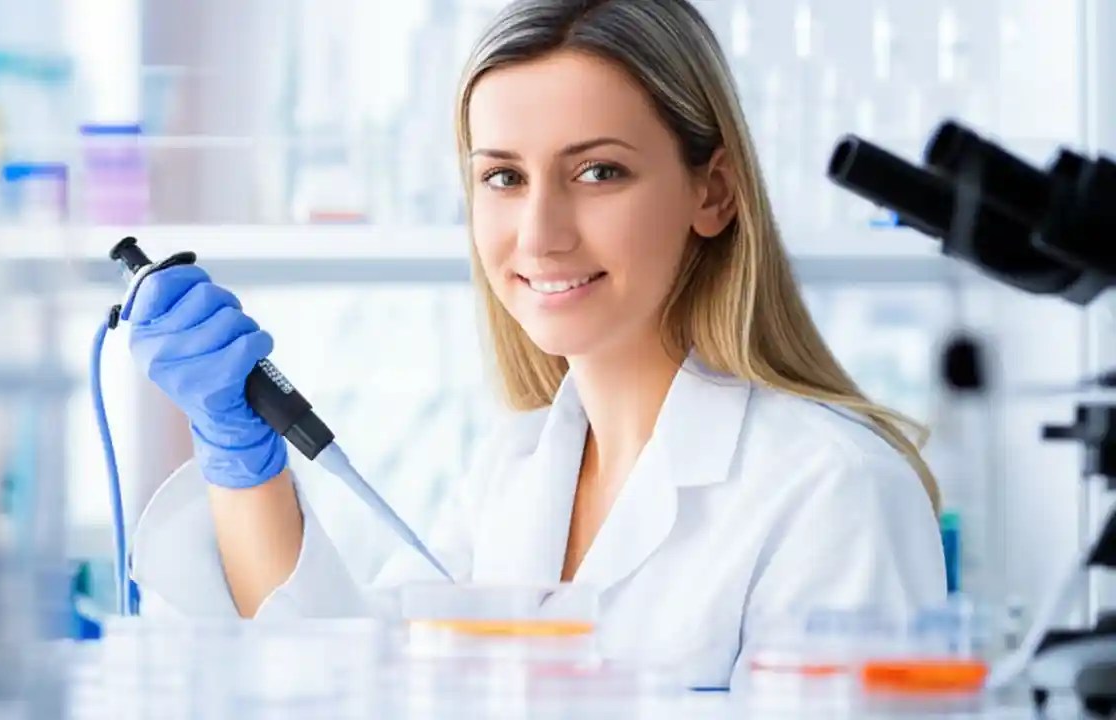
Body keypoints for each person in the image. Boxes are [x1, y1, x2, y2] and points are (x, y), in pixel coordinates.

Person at [126, 0, 946, 689]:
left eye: (597, 173)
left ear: (713, 190)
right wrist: (244, 459)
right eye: (504, 178)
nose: (540, 236)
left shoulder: (833, 491)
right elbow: (344, 682)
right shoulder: (515, 475)